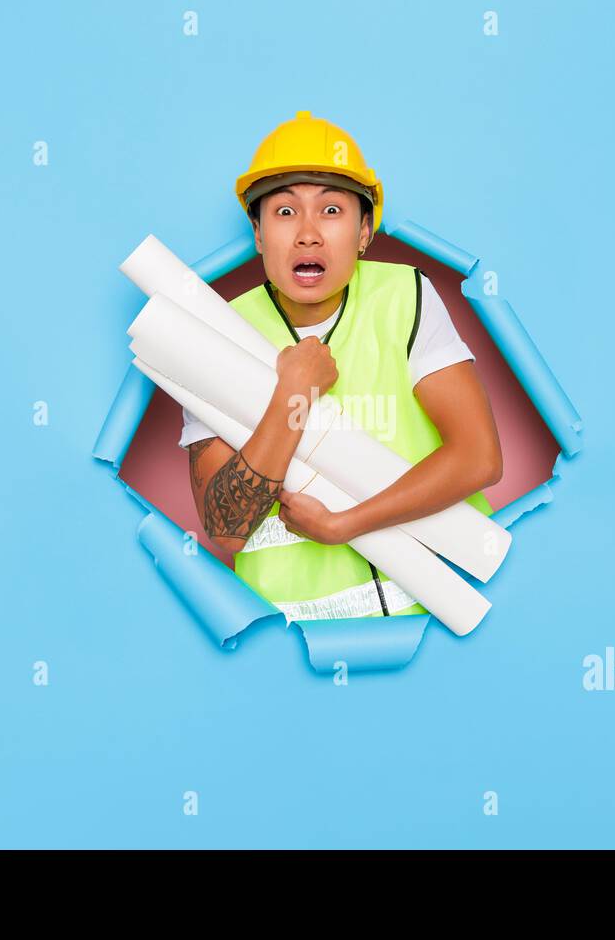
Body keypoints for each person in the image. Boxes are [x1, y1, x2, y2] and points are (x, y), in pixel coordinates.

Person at [181, 110, 502, 622]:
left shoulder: (406, 295)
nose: (307, 234)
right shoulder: (219, 332)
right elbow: (225, 525)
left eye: (331, 210)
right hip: (290, 639)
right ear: (258, 233)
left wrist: (349, 523)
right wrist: (294, 393)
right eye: (284, 213)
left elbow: (479, 458)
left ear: (364, 232)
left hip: (435, 617)